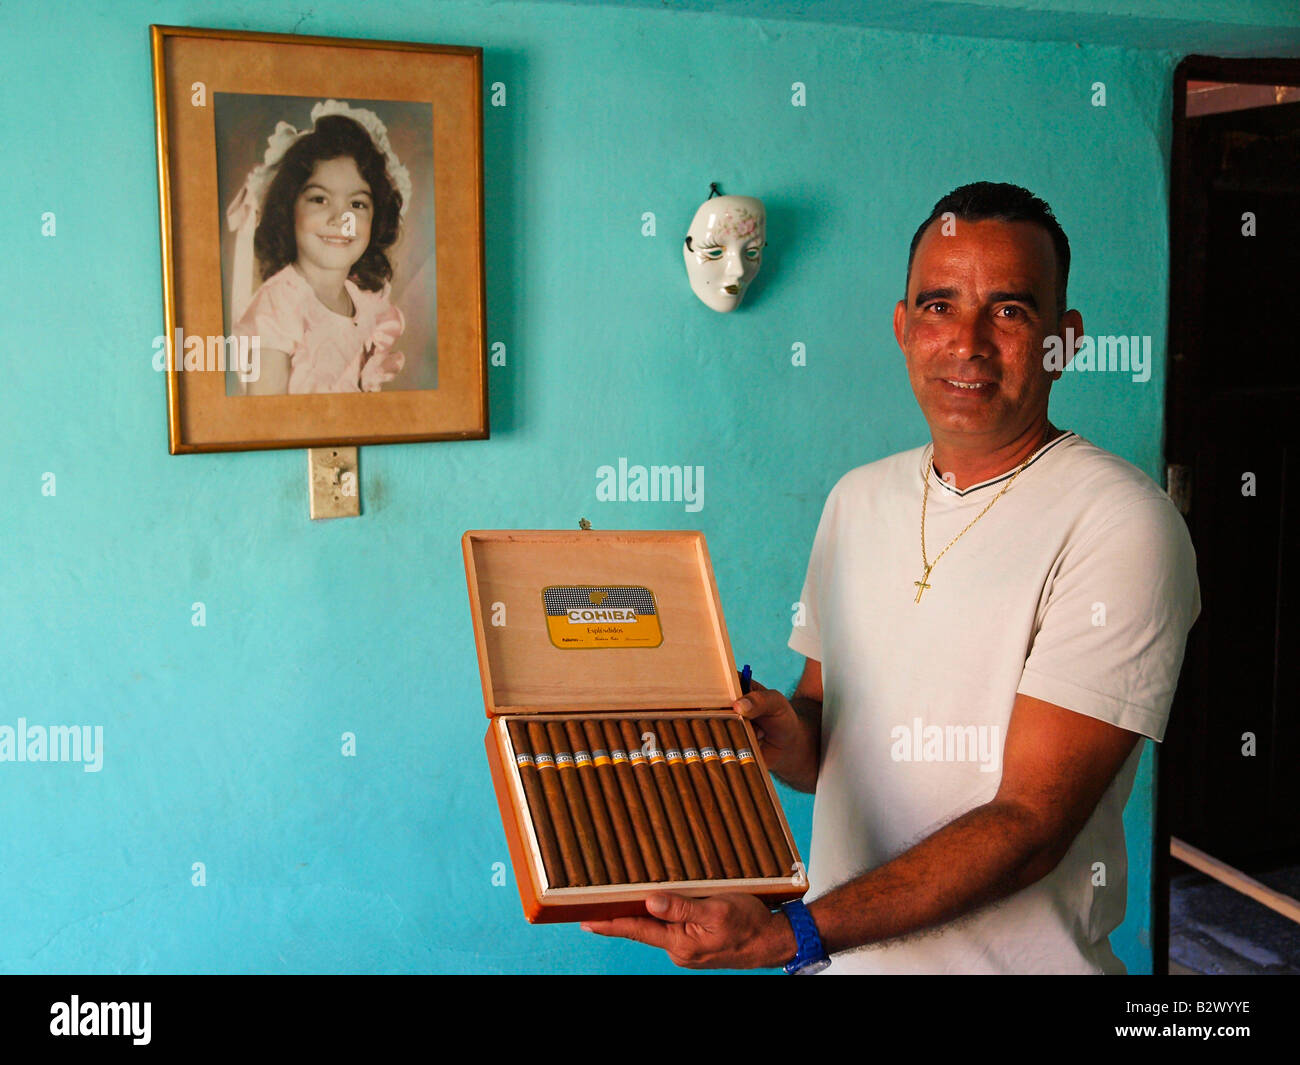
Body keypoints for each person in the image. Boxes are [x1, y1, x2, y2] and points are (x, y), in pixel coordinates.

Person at [582, 181, 1201, 973]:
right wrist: (779, 733)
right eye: (939, 307)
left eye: (1010, 310)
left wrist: (793, 931)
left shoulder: (1124, 525)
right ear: (904, 328)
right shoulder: (857, 497)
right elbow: (824, 742)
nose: (969, 341)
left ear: (1065, 340)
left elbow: (1030, 826)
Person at [225, 103, 409, 395]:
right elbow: (267, 427)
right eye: (320, 199)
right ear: (289, 209)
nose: (340, 219)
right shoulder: (279, 306)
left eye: (357, 204)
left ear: (376, 219)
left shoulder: (367, 304)